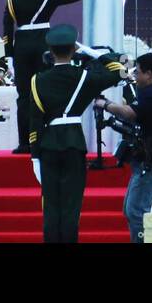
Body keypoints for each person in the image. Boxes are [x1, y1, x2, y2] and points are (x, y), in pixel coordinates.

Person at [29, 24, 126, 243]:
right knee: (72, 207)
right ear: (74, 49)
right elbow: (118, 71)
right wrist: (92, 52)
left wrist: (34, 156)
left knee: (51, 208)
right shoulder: (85, 78)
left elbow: (34, 121)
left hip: (48, 146)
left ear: (50, 50)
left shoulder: (37, 81)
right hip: (74, 144)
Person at [3, 0, 83, 153]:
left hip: (21, 47)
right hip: (44, 46)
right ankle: (44, 139)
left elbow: (7, 28)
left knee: (23, 95)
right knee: (45, 92)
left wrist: (9, 54)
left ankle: (24, 143)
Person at [95, 52, 152, 242]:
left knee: (137, 211)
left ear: (149, 74)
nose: (134, 76)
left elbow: (129, 113)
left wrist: (105, 104)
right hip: (150, 159)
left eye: (138, 72)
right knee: (133, 209)